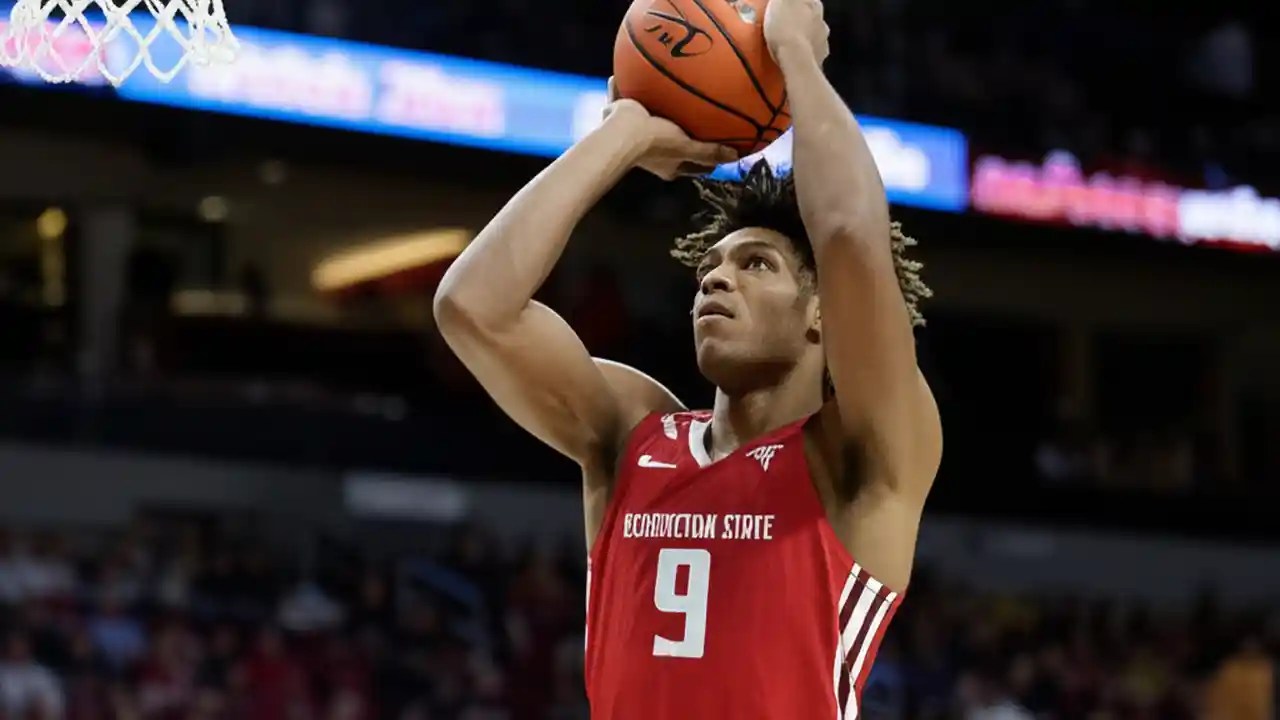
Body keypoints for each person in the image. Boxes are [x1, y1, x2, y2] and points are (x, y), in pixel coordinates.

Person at [432, 0, 943, 716]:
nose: (716, 277)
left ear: (822, 310)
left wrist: (795, 56)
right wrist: (625, 134)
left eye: (756, 264)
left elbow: (852, 238)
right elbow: (471, 307)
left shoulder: (862, 454)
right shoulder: (633, 431)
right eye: (711, 266)